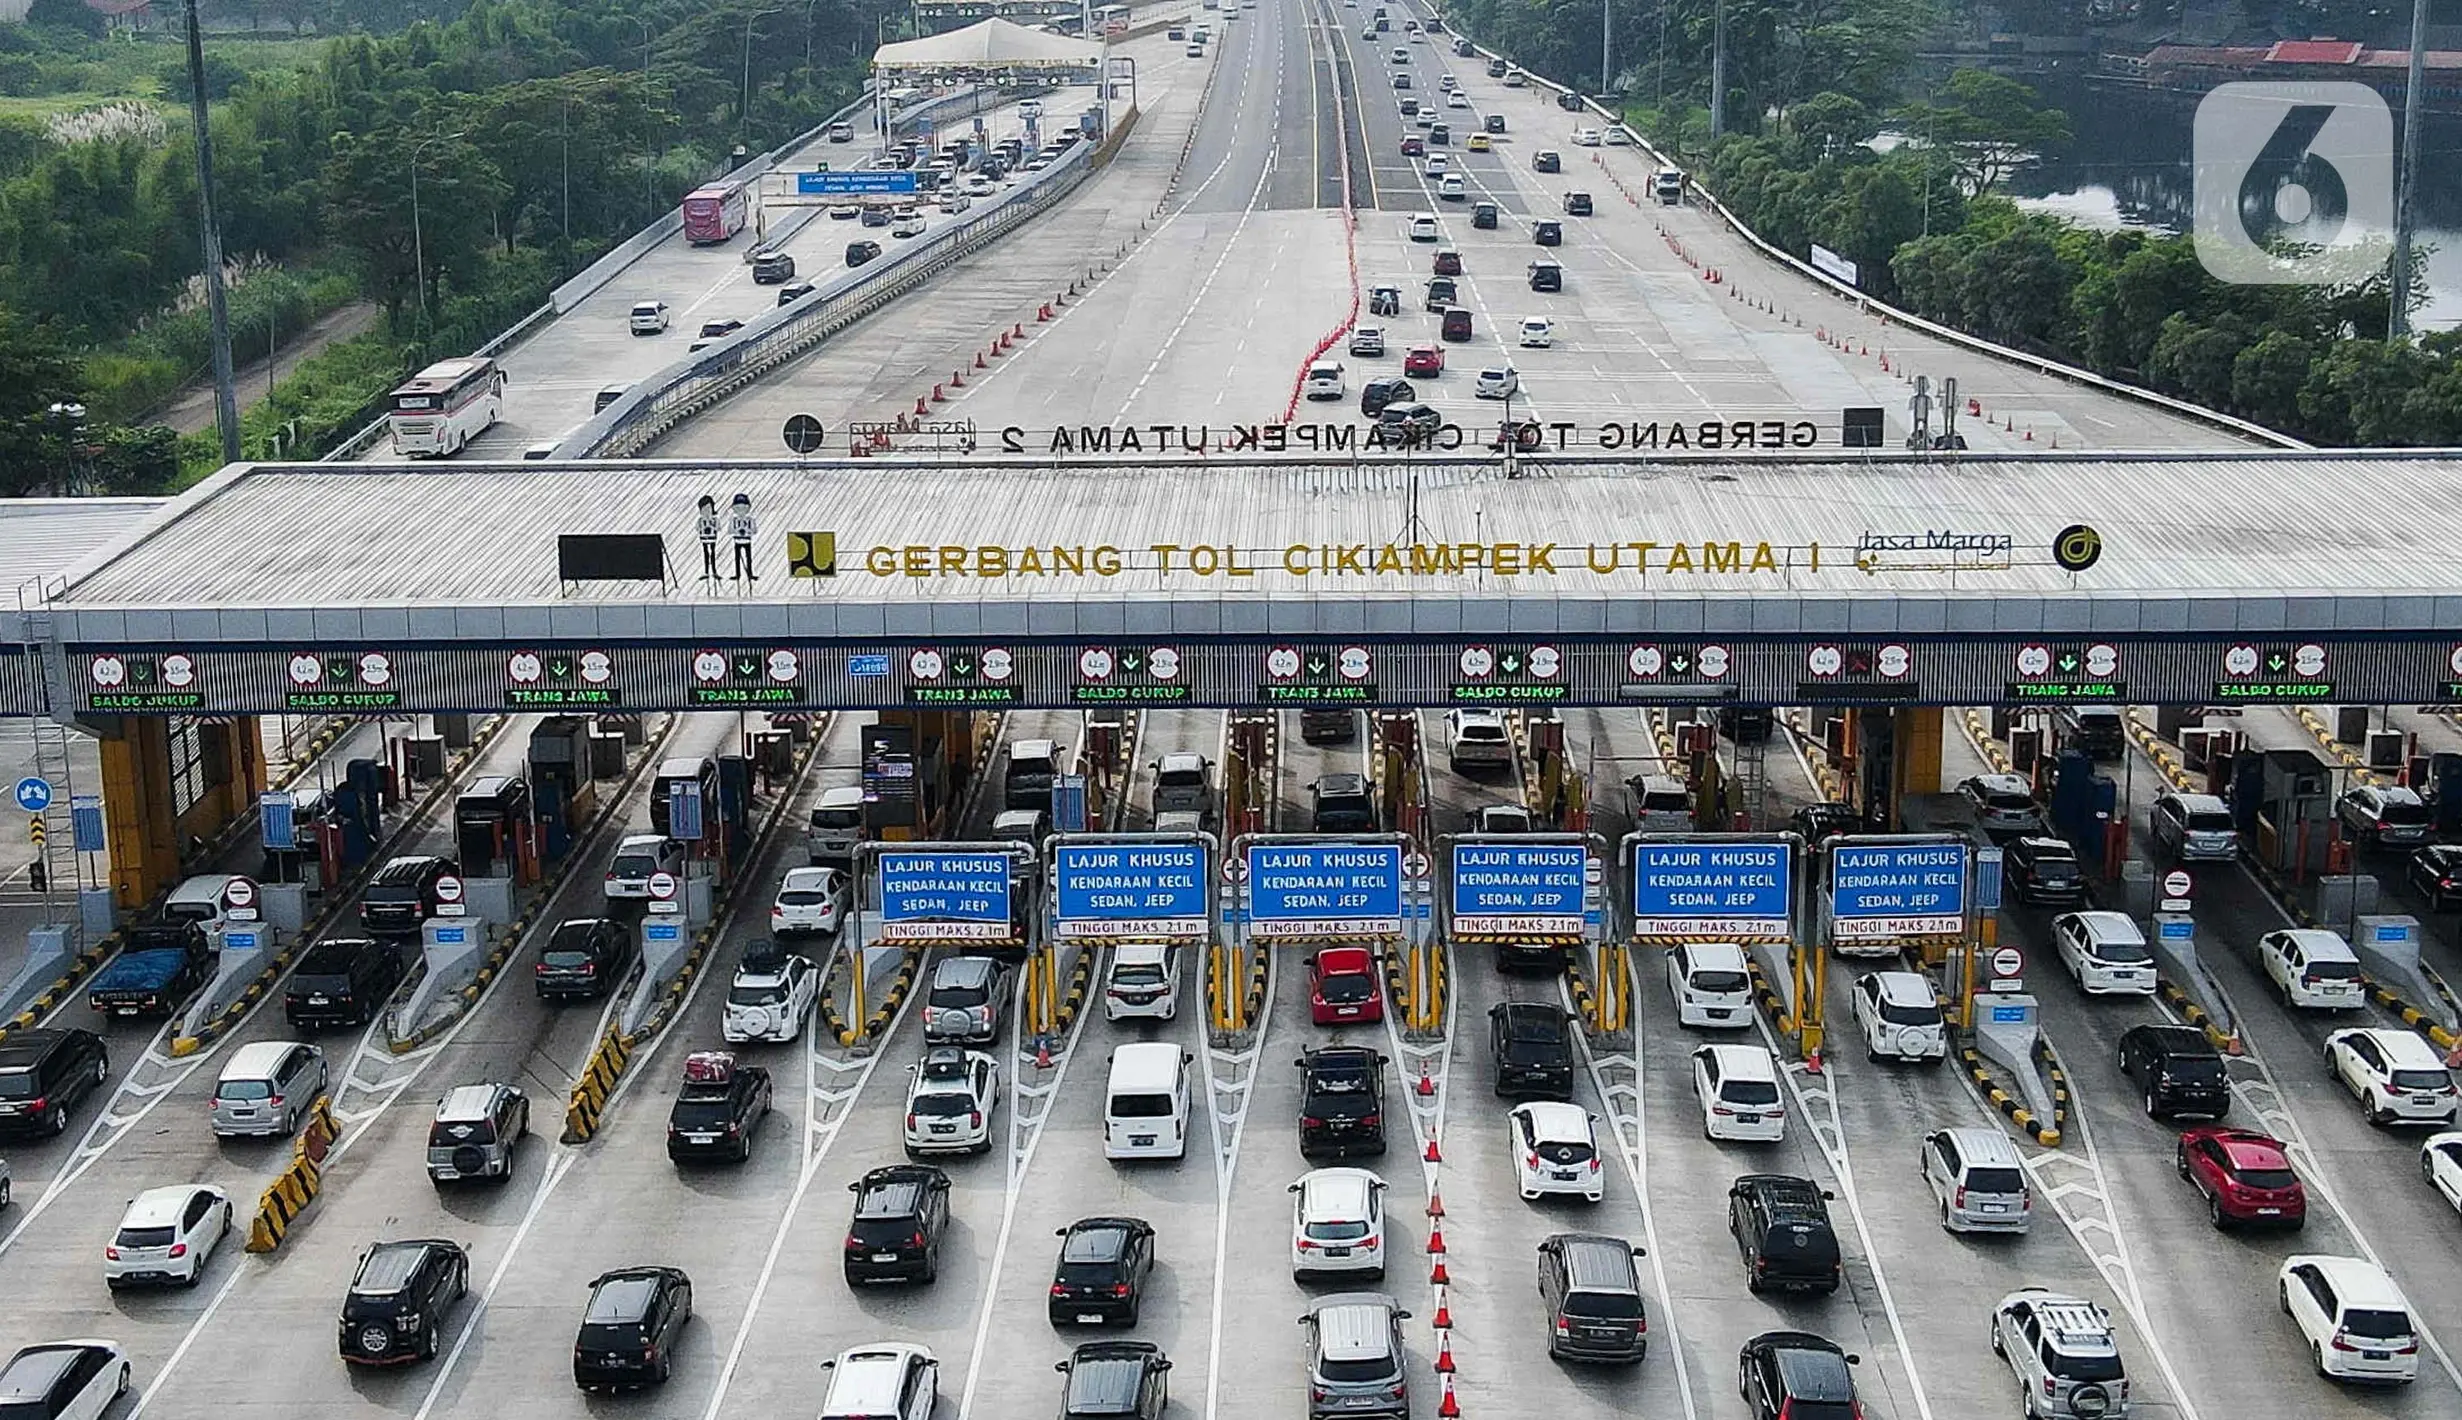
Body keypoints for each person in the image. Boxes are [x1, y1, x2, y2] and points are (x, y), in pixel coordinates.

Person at [728, 492, 758, 581]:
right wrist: (737, 531)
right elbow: (730, 531)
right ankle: (738, 574)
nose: (741, 511)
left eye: (743, 508)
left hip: (747, 541)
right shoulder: (734, 520)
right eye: (738, 508)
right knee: (737, 559)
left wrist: (746, 532)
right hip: (737, 541)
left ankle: (750, 573)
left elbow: (754, 530)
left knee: (748, 558)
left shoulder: (750, 520)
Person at [695, 494, 721, 580]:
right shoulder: (700, 520)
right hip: (704, 539)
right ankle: (706, 571)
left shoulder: (714, 520)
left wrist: (712, 527)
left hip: (712, 538)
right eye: (704, 509)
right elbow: (697, 528)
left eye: (708, 509)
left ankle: (714, 571)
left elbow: (718, 528)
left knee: (712, 553)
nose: (706, 512)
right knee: (706, 553)